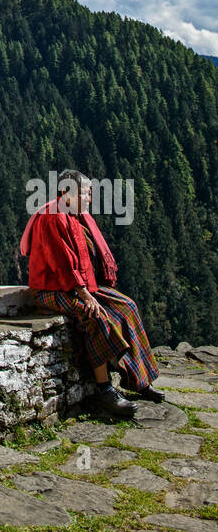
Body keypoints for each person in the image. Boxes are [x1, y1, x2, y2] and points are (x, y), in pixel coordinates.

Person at [20, 169, 162, 419]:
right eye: (85, 193)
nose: (89, 199)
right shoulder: (52, 217)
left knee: (126, 306)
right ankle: (104, 390)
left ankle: (138, 379)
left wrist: (93, 290)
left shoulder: (77, 216)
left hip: (82, 285)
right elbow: (61, 263)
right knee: (94, 315)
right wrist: (86, 296)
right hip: (51, 289)